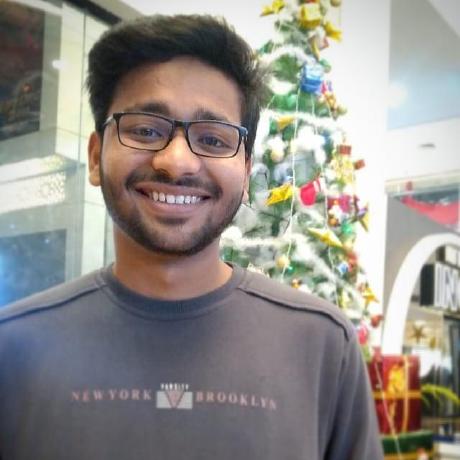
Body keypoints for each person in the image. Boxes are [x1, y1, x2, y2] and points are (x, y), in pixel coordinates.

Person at [0, 14, 383, 460]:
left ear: (245, 169)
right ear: (95, 156)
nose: (177, 162)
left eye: (214, 139)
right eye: (145, 129)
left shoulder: (321, 346)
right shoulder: (13, 347)